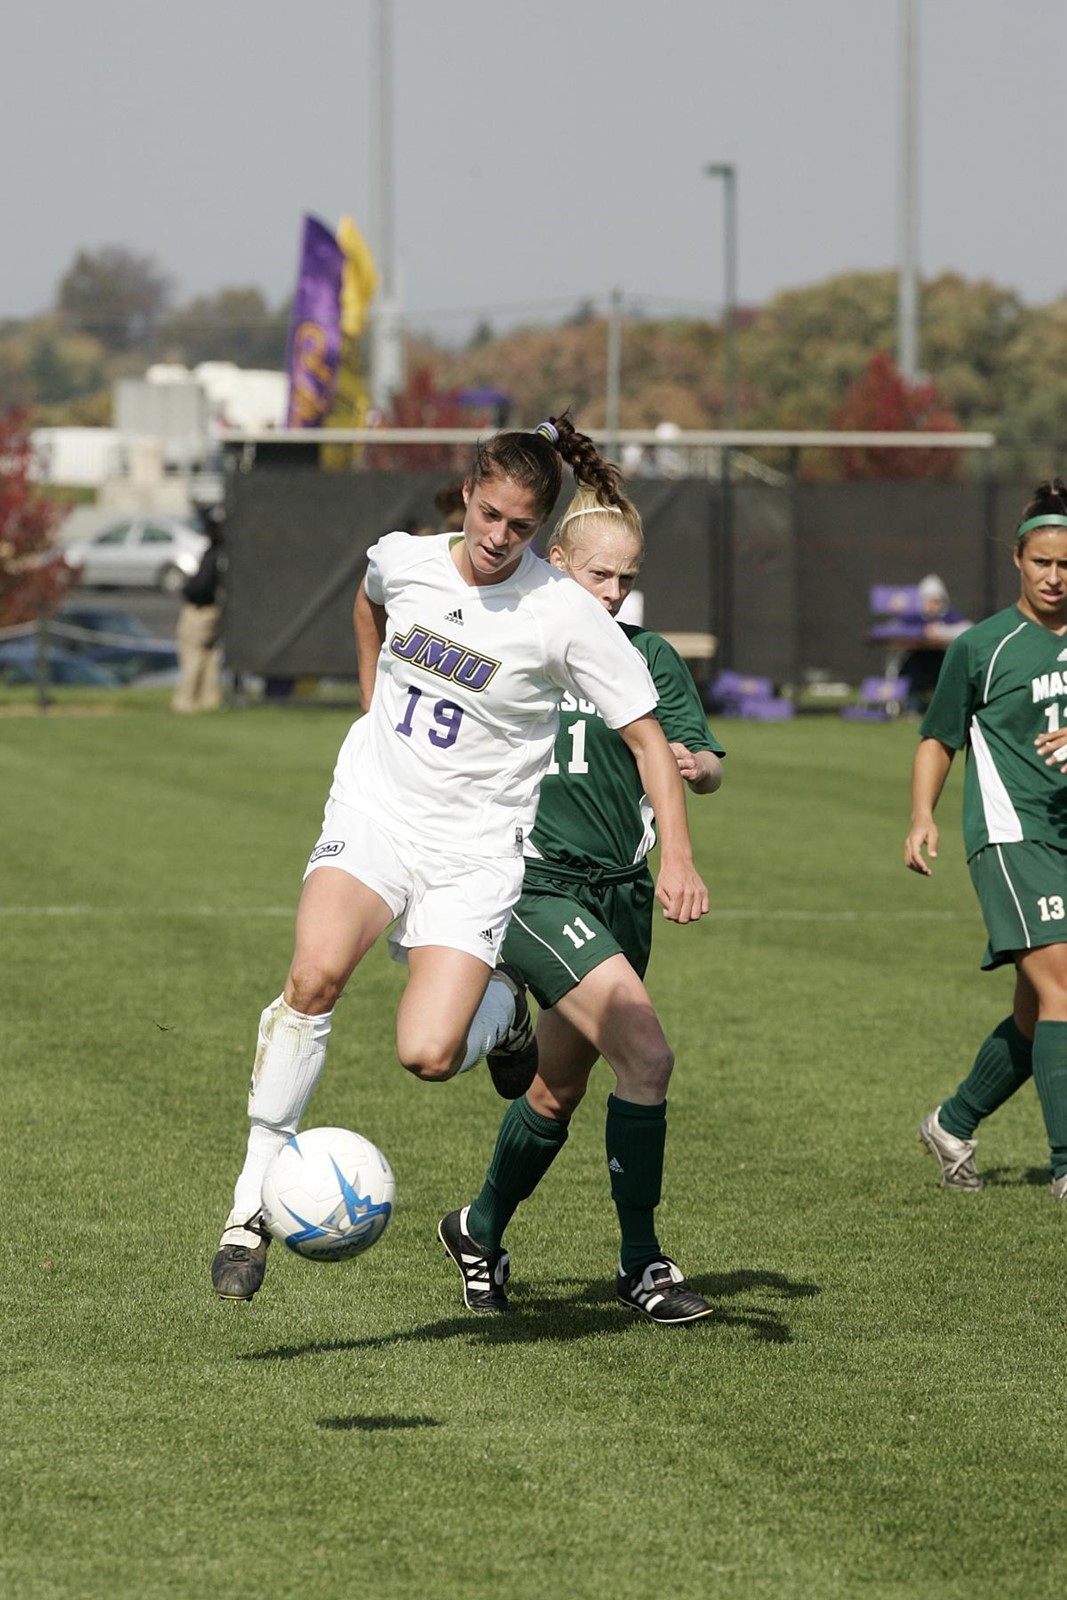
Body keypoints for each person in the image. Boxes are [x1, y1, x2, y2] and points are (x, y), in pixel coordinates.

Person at [211, 417, 709, 1300]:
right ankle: (247, 1209)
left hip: (474, 852)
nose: (495, 539)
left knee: (429, 1054)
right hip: (375, 813)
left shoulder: (562, 615)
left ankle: (506, 1020)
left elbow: (644, 738)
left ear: (541, 528)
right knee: (315, 976)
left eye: (518, 527)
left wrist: (678, 856)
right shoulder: (404, 556)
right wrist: (371, 702)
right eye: (486, 515)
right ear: (467, 493)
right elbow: (367, 600)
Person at [437, 480, 723, 1324]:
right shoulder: (509, 637)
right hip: (532, 884)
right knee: (647, 1057)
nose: (612, 594)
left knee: (557, 1091)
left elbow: (702, 761)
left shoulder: (647, 656)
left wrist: (694, 768)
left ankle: (476, 1228)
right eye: (598, 576)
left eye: (625, 580)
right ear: (553, 562)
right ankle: (643, 1264)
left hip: (616, 896)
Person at [905, 480, 1067, 1201]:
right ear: (1016, 559)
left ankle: (953, 1121)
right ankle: (1066, 1167)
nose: (1055, 577)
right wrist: (921, 816)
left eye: (1066, 564)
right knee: (1064, 987)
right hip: (1010, 837)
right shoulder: (981, 647)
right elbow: (937, 738)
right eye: (1041, 563)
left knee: (1038, 1009)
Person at [172, 514, 224, 713]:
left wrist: (188, 589)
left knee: (192, 655)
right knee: (209, 657)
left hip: (200, 610)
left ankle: (186, 703)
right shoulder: (226, 553)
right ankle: (208, 701)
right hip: (216, 611)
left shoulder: (212, 555)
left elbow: (201, 586)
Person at [898, 573, 972, 714]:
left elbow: (967, 628)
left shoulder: (948, 616)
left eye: (936, 600)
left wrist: (941, 631)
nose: (932, 605)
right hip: (918, 659)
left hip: (941, 659)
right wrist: (921, 631)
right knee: (911, 672)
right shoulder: (915, 617)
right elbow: (898, 629)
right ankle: (912, 708)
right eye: (929, 600)